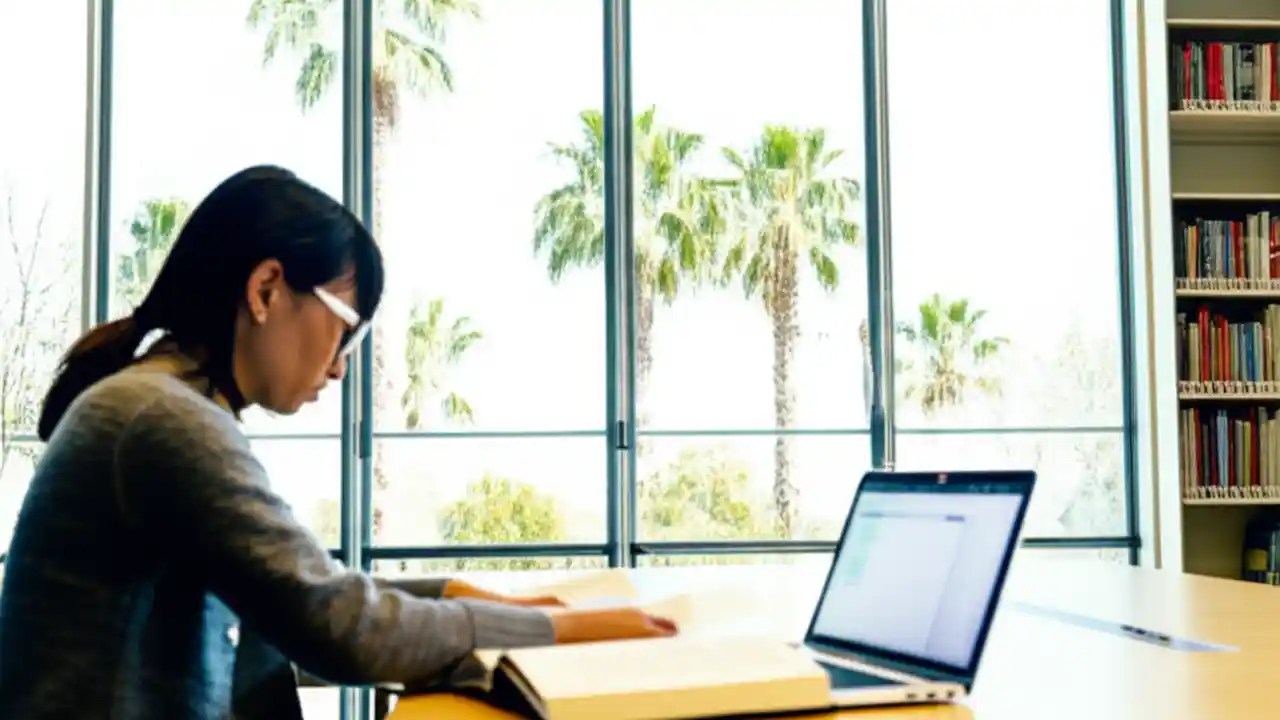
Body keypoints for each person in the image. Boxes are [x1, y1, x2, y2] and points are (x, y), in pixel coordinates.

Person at [0, 165, 675, 719]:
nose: (341, 366)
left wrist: (469, 599)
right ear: (266, 289)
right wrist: (559, 632)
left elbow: (296, 587)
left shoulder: (161, 403)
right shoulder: (164, 419)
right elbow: (335, 623)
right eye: (346, 330)